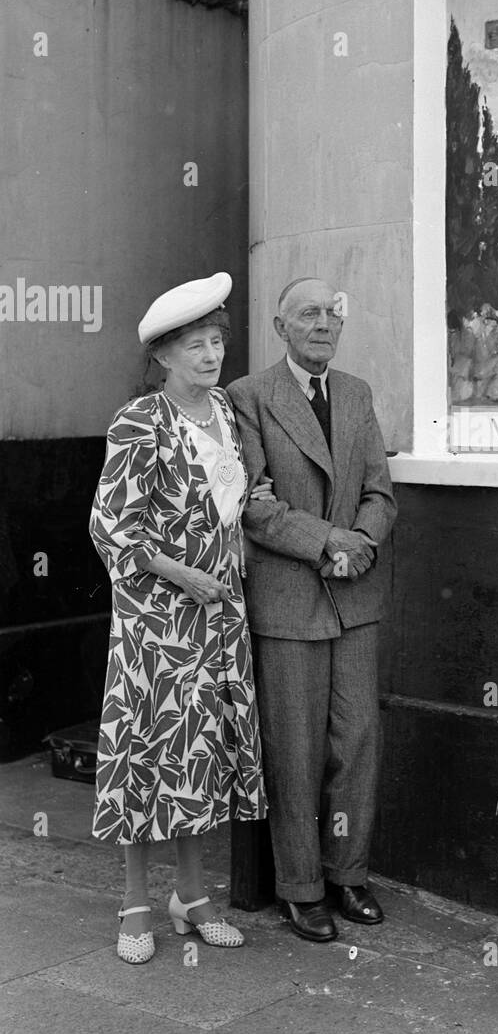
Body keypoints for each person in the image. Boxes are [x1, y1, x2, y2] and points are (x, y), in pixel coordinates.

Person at [89, 273, 269, 964]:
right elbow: (111, 528)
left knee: (201, 756)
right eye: (193, 345)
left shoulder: (224, 410)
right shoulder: (139, 422)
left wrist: (230, 560)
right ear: (162, 356)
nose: (209, 355)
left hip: (217, 615)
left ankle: (191, 898)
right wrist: (179, 572)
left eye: (216, 341)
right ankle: (136, 902)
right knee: (151, 753)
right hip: (157, 621)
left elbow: (233, 503)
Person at [227, 278, 397, 942]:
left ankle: (347, 874)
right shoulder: (248, 397)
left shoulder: (354, 392)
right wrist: (328, 541)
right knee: (293, 749)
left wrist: (359, 544)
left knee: (355, 743)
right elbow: (252, 502)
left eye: (331, 313)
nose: (322, 324)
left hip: (353, 595)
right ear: (280, 325)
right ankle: (300, 888)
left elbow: (380, 490)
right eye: (307, 314)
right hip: (290, 600)